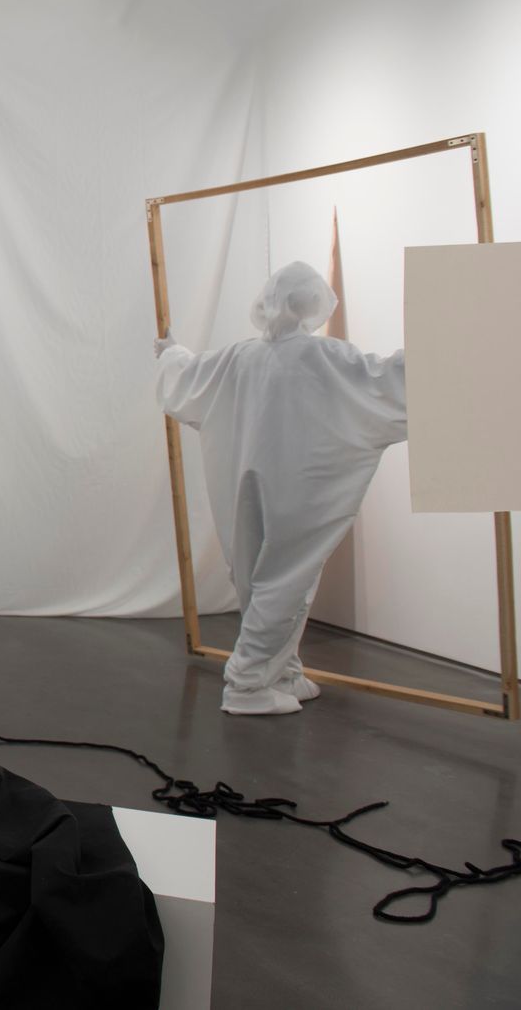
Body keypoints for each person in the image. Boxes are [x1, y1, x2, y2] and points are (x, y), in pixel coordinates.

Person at [155, 261, 408, 716]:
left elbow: (191, 374)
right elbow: (385, 380)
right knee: (288, 580)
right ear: (314, 304)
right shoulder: (326, 356)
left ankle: (282, 671)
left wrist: (172, 355)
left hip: (243, 481)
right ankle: (247, 683)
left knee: (256, 575)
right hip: (300, 487)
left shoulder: (240, 356)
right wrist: (441, 347)